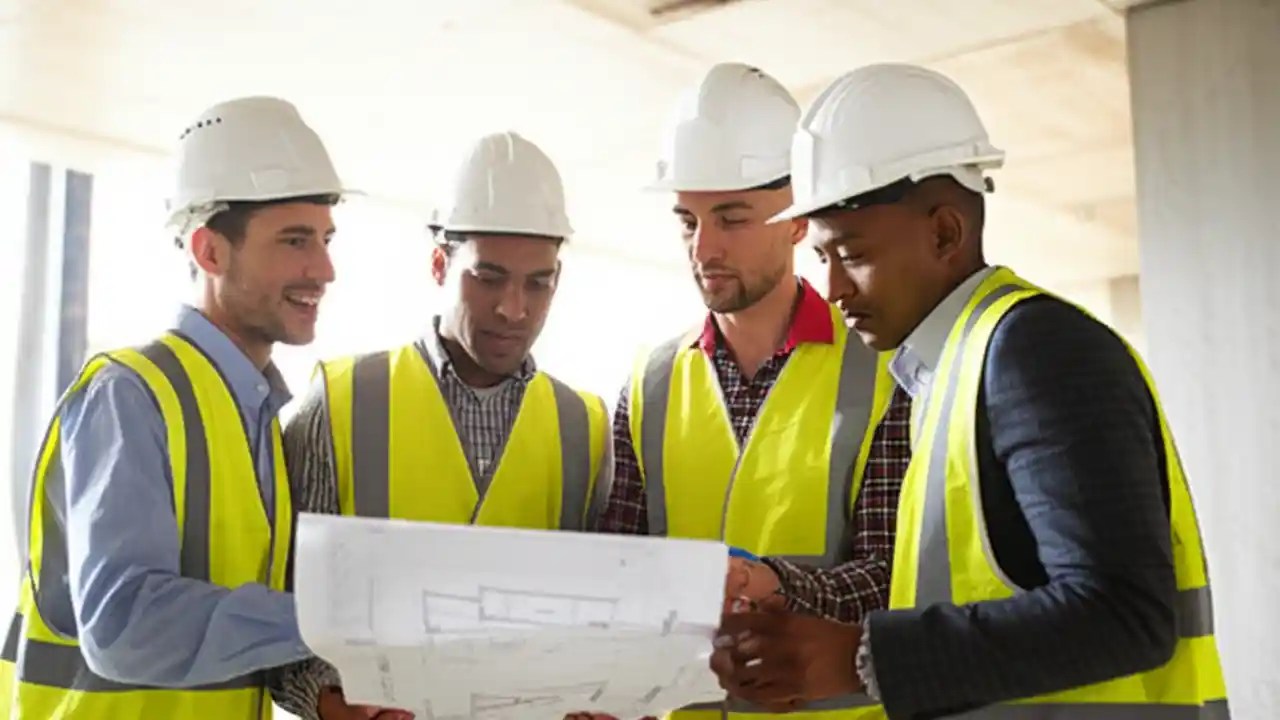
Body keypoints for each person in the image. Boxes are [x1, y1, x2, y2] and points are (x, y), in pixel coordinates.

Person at [709, 63, 1230, 720]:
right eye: (823, 259)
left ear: (945, 233)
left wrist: (857, 658)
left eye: (854, 254)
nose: (835, 288)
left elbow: (1125, 613)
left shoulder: (1033, 351)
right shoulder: (950, 373)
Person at [0, 96, 354, 718]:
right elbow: (125, 625)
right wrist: (341, 615)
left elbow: (229, 639)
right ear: (210, 252)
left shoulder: (259, 419)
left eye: (325, 239)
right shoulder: (129, 396)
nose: (323, 268)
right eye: (295, 240)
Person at [593, 62, 910, 720]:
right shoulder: (649, 385)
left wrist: (774, 585)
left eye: (731, 218)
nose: (703, 247)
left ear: (798, 221)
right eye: (687, 221)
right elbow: (612, 576)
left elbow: (900, 576)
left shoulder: (885, 369)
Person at [272, 130, 613, 720]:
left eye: (539, 282)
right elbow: (283, 616)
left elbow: (593, 624)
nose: (514, 309)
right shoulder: (341, 400)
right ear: (439, 264)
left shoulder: (584, 424)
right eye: (488, 277)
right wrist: (332, 704)